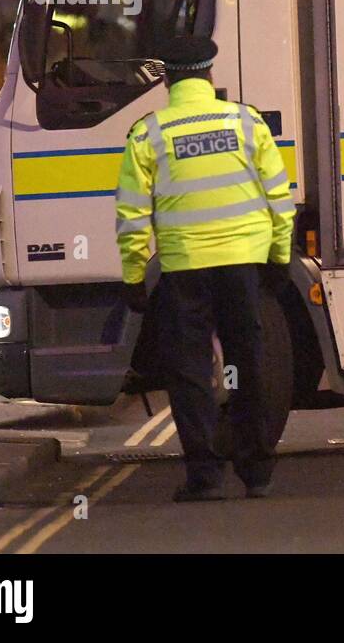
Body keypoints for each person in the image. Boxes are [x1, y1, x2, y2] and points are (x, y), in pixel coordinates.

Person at [115, 36, 295, 501]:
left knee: (190, 371)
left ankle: (204, 476)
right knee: (250, 363)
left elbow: (132, 215)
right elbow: (280, 198)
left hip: (185, 269)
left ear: (168, 79)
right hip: (243, 265)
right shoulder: (246, 121)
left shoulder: (149, 133)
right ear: (209, 74)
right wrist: (278, 257)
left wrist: (135, 276)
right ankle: (257, 473)